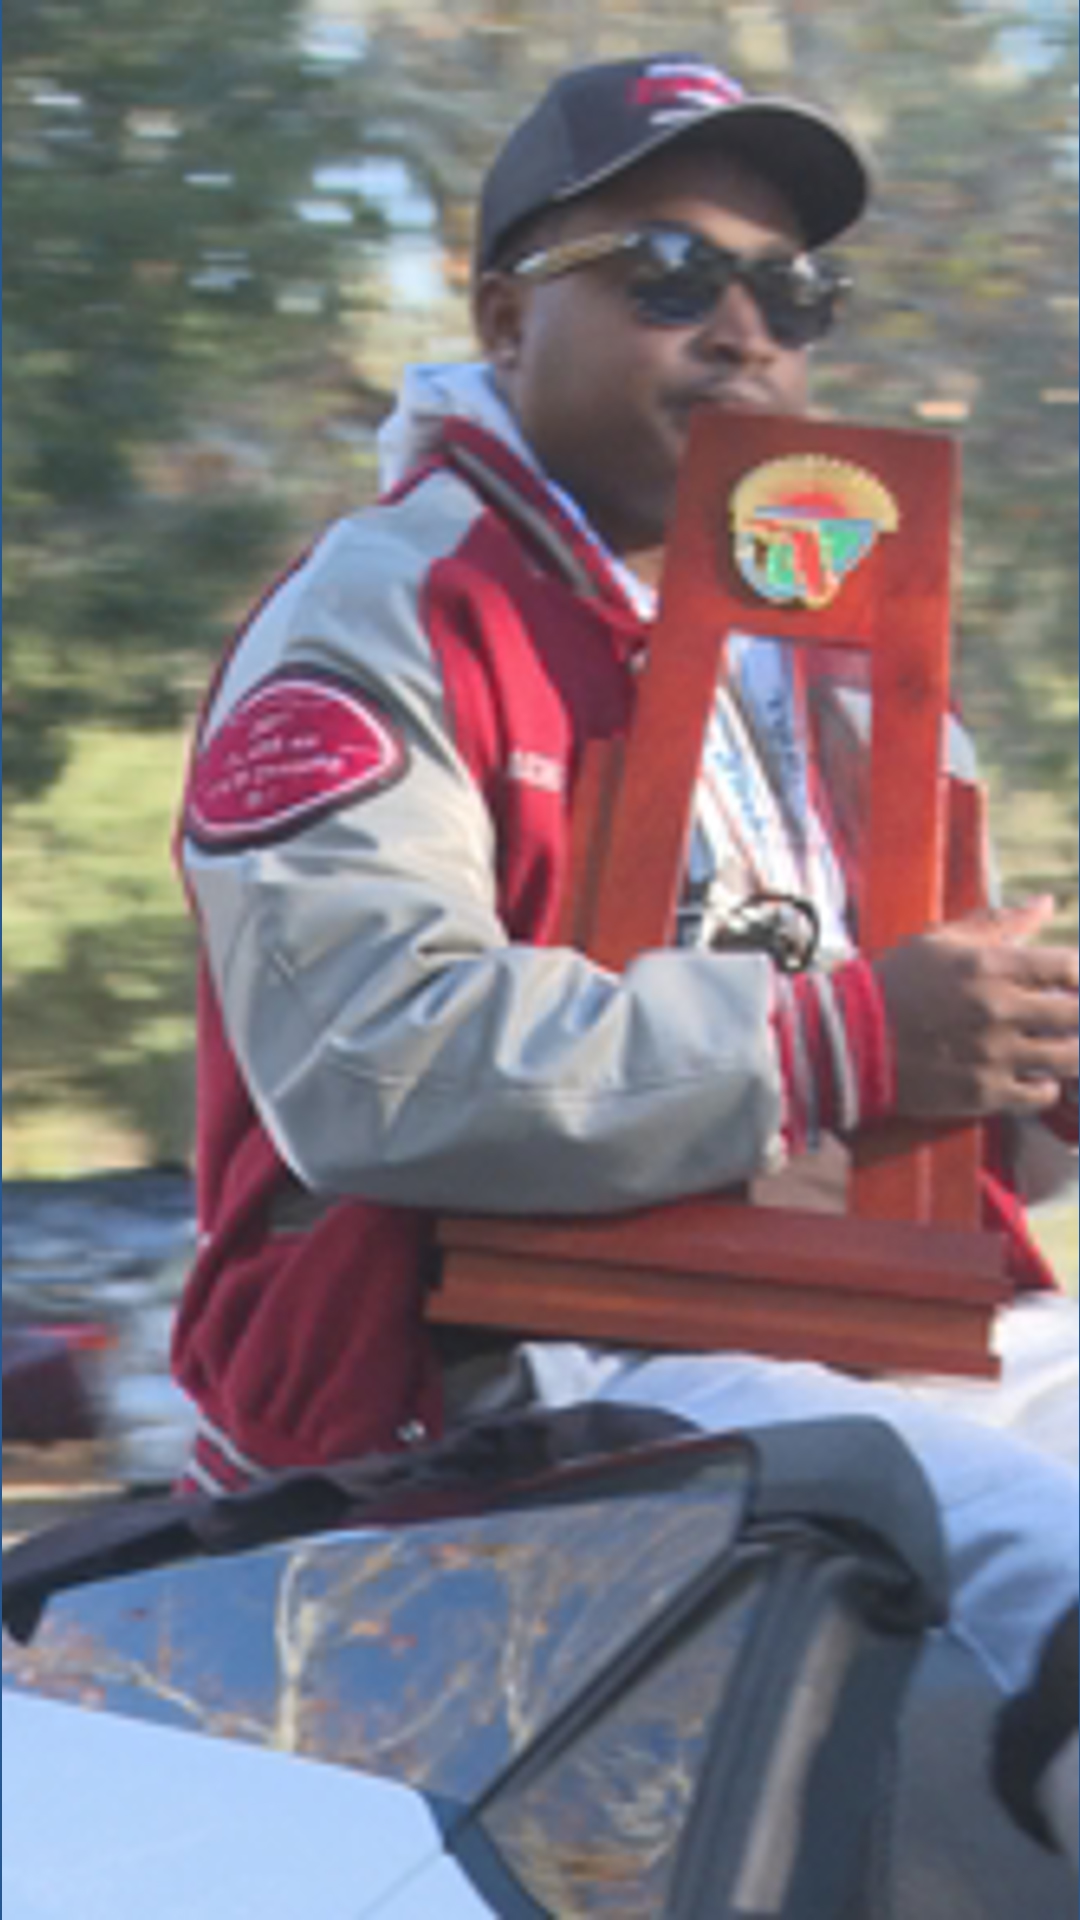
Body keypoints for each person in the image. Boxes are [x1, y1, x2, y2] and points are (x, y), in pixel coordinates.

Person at [172, 51, 1079, 1850]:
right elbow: (373, 1070)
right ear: (508, 317)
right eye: (668, 272)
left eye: (791, 292)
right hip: (512, 1363)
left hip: (850, 1325)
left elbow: (941, 1125)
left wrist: (1030, 1061)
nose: (744, 329)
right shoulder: (391, 610)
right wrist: (843, 1042)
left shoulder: (844, 643)